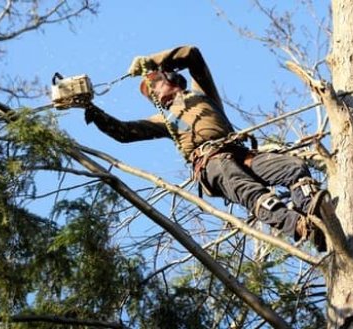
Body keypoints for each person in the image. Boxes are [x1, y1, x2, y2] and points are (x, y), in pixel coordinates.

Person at [81, 45, 329, 251]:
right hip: (211, 162)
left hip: (242, 154)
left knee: (292, 168)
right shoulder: (165, 120)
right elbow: (125, 132)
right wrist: (94, 111)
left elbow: (192, 55)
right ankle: (300, 226)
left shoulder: (202, 94)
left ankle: (316, 213)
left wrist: (151, 61)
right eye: (150, 93)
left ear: (170, 77)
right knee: (247, 189)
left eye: (154, 84)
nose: (154, 93)